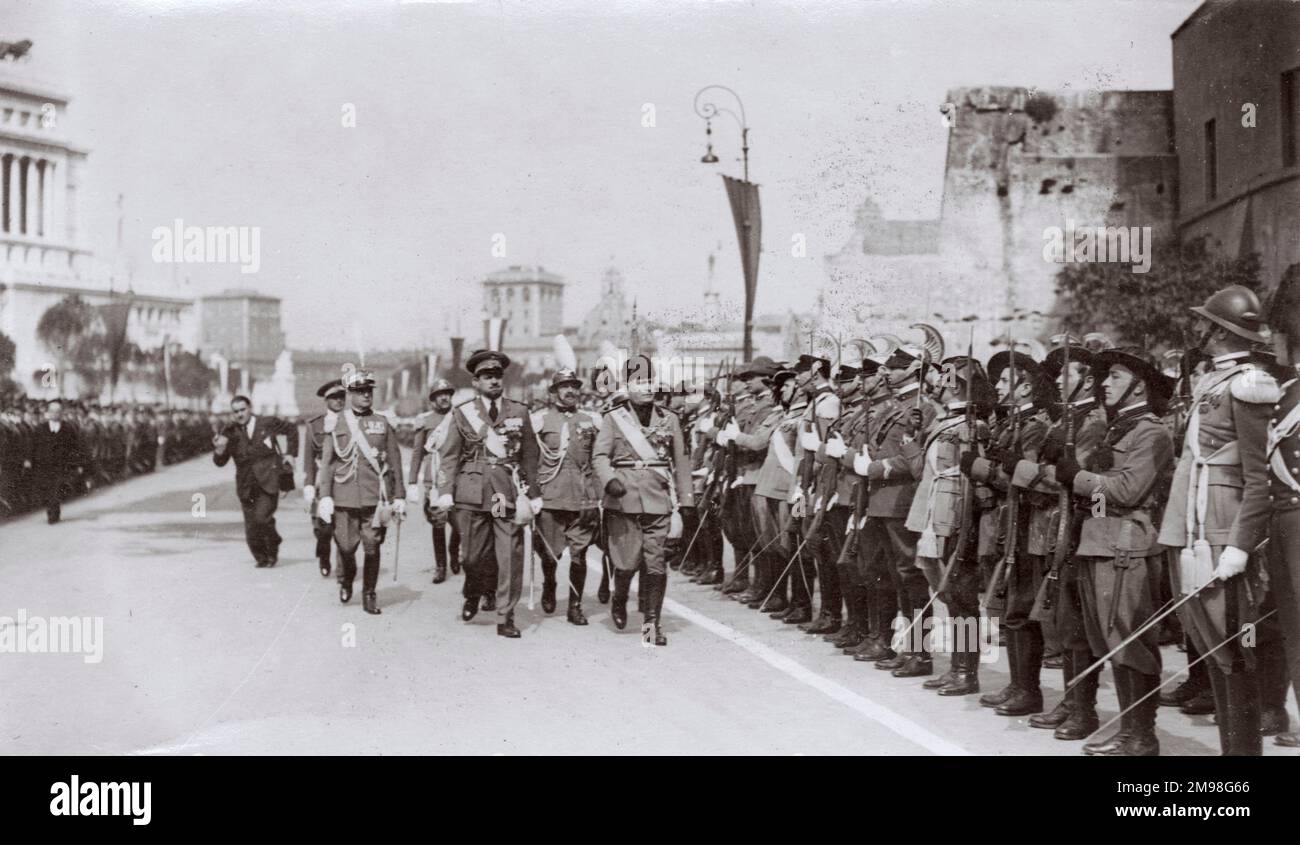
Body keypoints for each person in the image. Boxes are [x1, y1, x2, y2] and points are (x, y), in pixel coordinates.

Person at [1156, 286, 1277, 755]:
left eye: (1205, 322)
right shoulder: (1214, 380)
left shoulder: (1248, 384)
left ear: (1220, 330)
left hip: (1222, 535)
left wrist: (1241, 545)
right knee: (1215, 654)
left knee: (1234, 654)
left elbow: (1260, 476)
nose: (1198, 329)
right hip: (1194, 530)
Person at [1052, 347, 1175, 756]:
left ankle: (1141, 736)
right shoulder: (1116, 428)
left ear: (1140, 385)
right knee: (1106, 639)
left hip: (1127, 545)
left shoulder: (1151, 432)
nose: (1104, 383)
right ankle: (1129, 731)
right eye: (1104, 377)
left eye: (1116, 376)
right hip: (1100, 540)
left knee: (1129, 641)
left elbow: (1128, 490)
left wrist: (1080, 478)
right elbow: (1107, 494)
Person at [436, 350, 541, 639]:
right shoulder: (463, 412)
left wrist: (534, 493)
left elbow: (530, 455)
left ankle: (505, 615)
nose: (493, 381)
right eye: (487, 376)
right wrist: (445, 491)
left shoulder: (518, 411)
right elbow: (449, 457)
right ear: (476, 382)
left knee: (508, 555)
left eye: (497, 376)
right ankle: (473, 590)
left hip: (504, 493)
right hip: (472, 492)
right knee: (472, 558)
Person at [593, 360, 693, 645]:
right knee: (625, 564)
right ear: (628, 387)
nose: (647, 388)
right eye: (639, 383)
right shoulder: (615, 418)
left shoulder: (669, 418)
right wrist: (608, 479)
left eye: (650, 381)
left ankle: (652, 624)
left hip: (659, 499)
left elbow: (681, 462)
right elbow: (600, 456)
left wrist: (686, 502)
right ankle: (620, 596)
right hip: (623, 499)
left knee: (656, 564)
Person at [316, 370, 406, 614]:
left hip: (374, 497)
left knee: (372, 547)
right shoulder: (336, 423)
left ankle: (369, 594)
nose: (366, 395)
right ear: (349, 394)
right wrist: (325, 495)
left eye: (369, 390)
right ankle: (347, 578)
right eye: (360, 391)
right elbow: (328, 462)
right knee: (346, 547)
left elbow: (395, 462)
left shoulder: (382, 422)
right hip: (344, 496)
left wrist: (399, 496)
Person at [531, 368, 602, 625]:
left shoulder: (592, 421)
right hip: (550, 495)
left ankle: (575, 605)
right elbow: (529, 458)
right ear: (554, 392)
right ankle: (549, 583)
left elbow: (599, 459)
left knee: (579, 554)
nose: (570, 390)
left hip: (582, 497)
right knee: (550, 554)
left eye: (574, 386)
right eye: (564, 386)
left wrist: (598, 494)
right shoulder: (539, 421)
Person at [1265, 271, 1300, 748]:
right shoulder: (1286, 392)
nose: (1271, 342)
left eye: (1276, 334)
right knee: (1291, 623)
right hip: (1283, 520)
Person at [213, 394, 298, 567]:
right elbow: (220, 462)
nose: (239, 414)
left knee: (262, 518)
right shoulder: (229, 431)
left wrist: (290, 453)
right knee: (251, 529)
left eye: (243, 410)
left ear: (250, 408)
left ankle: (272, 549)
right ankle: (260, 557)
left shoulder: (267, 423)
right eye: (235, 411)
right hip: (245, 485)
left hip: (268, 481)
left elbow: (291, 429)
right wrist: (220, 450)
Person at [407, 379, 461, 584]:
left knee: (459, 524)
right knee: (438, 523)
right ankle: (441, 566)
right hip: (434, 480)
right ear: (433, 399)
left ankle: (455, 550)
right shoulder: (425, 421)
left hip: (456, 478)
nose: (444, 397)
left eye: (447, 393)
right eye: (440, 394)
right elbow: (417, 453)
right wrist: (412, 482)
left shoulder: (458, 418)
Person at [304, 379, 347, 577]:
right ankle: (324, 555)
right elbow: (309, 458)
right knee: (324, 528)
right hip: (323, 479)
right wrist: (309, 485)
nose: (339, 401)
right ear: (326, 400)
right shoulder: (315, 425)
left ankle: (342, 569)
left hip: (346, 478)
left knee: (343, 526)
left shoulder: (351, 420)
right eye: (333, 398)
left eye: (341, 397)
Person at [30, 399, 81, 525]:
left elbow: (75, 447)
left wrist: (76, 463)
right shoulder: (40, 429)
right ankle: (52, 510)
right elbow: (33, 446)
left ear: (61, 413)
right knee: (47, 490)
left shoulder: (68, 429)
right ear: (48, 413)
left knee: (57, 489)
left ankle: (53, 513)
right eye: (52, 411)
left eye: (58, 411)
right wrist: (30, 460)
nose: (55, 414)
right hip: (44, 465)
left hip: (61, 465)